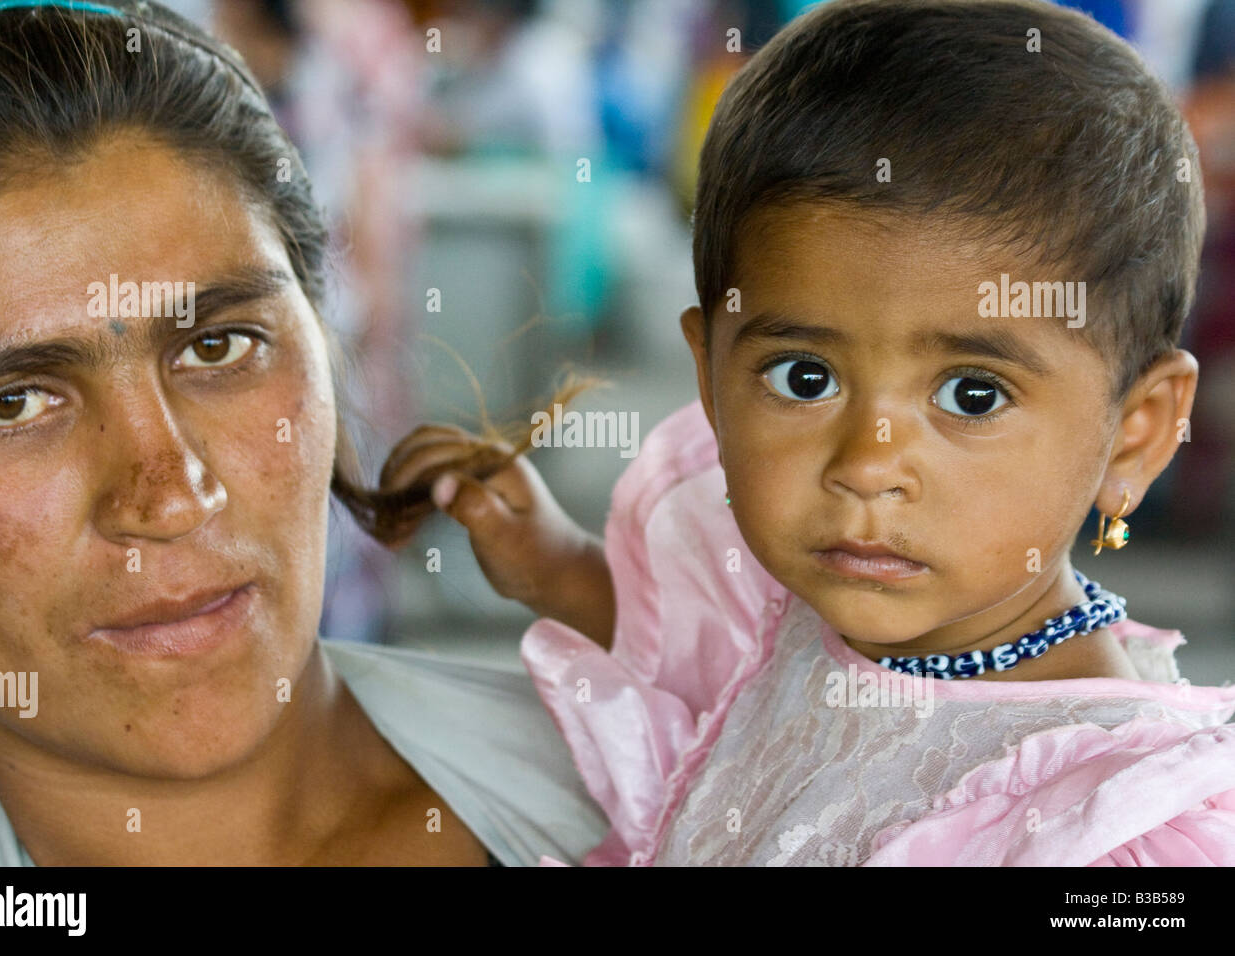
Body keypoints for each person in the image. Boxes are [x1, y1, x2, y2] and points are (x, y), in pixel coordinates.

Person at [384, 0, 1235, 865]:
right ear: (712, 376)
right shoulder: (808, 606)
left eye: (973, 395)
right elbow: (714, 670)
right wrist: (554, 566)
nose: (867, 466)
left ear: (1136, 433)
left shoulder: (1111, 824)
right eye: (806, 378)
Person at [0, 0, 606, 866]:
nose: (172, 496)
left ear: (323, 340)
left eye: (219, 346)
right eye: (13, 404)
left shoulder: (670, 791)